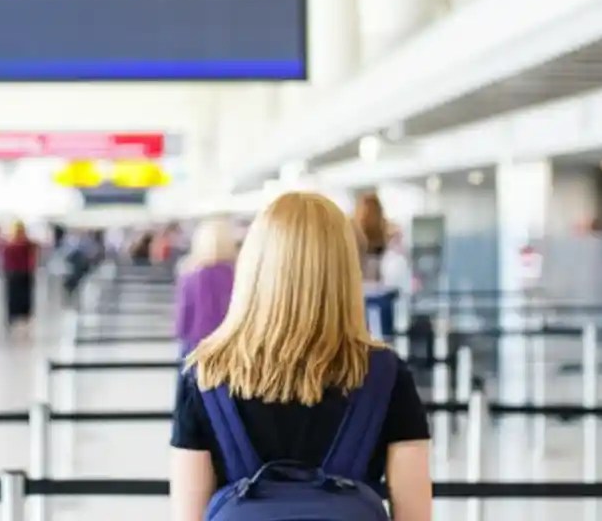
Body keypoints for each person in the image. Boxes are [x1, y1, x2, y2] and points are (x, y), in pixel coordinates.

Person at [171, 192, 432, 521]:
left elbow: (188, 516)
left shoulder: (205, 375)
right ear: (345, 267)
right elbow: (415, 515)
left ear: (255, 264)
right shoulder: (385, 374)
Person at [174, 218, 237, 358]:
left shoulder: (189, 274)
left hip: (195, 347)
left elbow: (183, 319)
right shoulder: (239, 275)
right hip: (229, 348)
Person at [2, 221, 37, 337]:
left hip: (16, 274)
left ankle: (17, 320)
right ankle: (22, 320)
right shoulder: (26, 244)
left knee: (17, 299)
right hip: (23, 274)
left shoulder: (11, 245)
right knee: (21, 298)